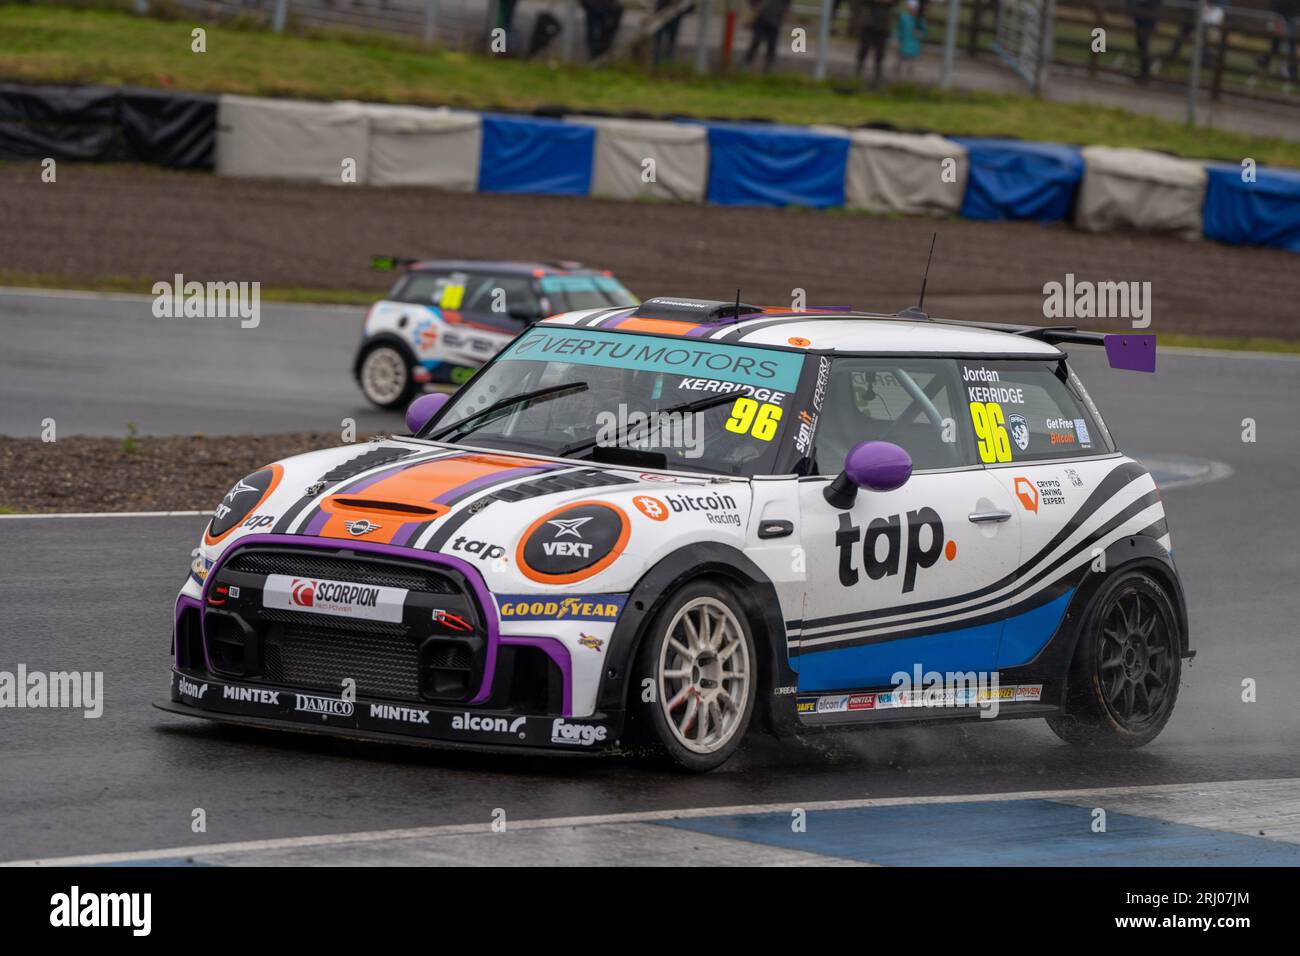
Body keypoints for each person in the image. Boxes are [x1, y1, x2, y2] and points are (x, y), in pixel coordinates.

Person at [858, 0, 897, 88]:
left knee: (880, 53)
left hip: (883, 27)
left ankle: (877, 77)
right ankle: (858, 71)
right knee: (864, 48)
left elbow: (894, 3)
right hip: (869, 24)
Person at [745, 0, 791, 72]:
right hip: (761, 18)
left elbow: (787, 3)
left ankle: (768, 68)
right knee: (756, 42)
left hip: (775, 19)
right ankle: (747, 63)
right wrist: (754, 6)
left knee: (771, 45)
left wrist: (784, 11)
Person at [1127, 0, 1162, 82]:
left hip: (1147, 17)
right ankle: (1144, 73)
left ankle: (1145, 73)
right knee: (1141, 44)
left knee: (1144, 44)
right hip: (1142, 16)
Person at [653, 0, 695, 65]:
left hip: (673, 19)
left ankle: (666, 64)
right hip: (661, 17)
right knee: (659, 43)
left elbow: (690, 8)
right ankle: (657, 64)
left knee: (669, 44)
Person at [894, 0, 925, 80]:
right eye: (912, 8)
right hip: (904, 40)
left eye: (915, 8)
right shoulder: (904, 18)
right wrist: (896, 38)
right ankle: (898, 67)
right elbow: (898, 28)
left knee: (912, 55)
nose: (913, 10)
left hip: (914, 41)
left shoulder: (919, 20)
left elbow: (923, 31)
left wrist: (919, 34)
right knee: (901, 54)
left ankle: (910, 68)